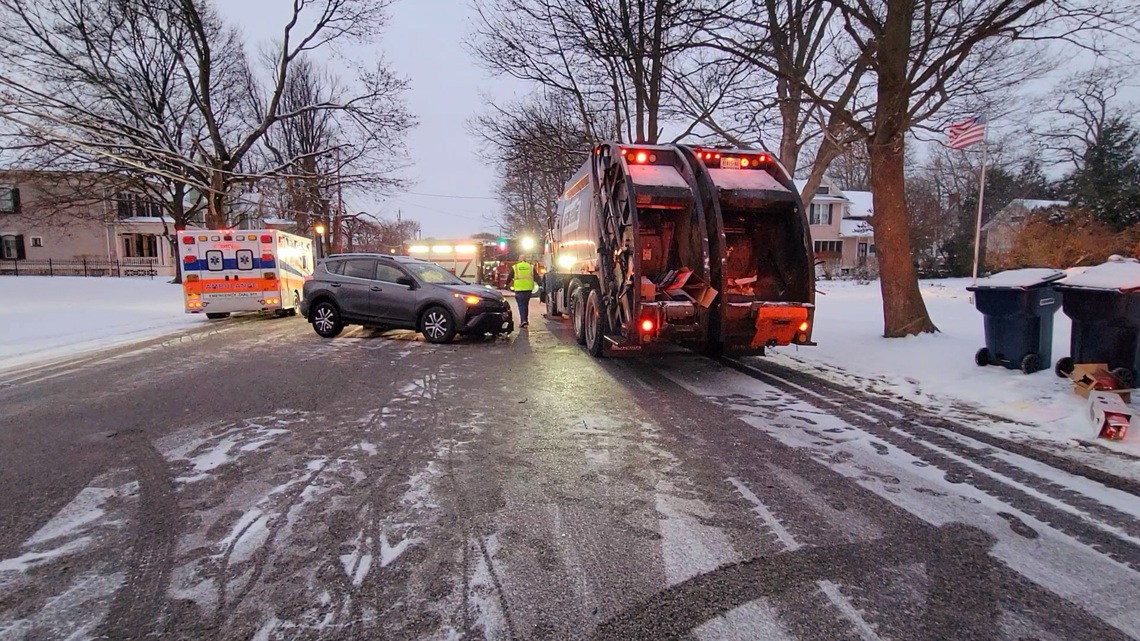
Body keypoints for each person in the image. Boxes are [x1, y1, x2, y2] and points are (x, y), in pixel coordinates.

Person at [506, 254, 536, 328]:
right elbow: (536, 276)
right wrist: (541, 285)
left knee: (521, 305)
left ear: (519, 259)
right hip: (528, 289)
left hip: (519, 289)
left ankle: (523, 321)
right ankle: (525, 320)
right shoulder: (530, 267)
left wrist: (506, 284)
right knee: (526, 305)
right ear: (525, 259)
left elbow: (510, 276)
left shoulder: (516, 267)